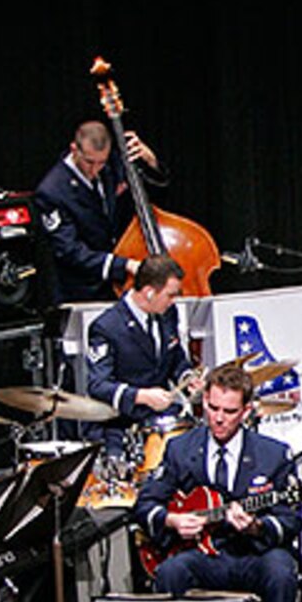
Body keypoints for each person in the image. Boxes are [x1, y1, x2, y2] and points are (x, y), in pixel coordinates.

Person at [133, 363, 302, 602]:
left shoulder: (274, 454)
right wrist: (171, 519)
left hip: (251, 555)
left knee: (281, 571)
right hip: (203, 555)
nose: (219, 419)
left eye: (229, 412)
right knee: (170, 572)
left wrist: (257, 526)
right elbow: (145, 504)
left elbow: (291, 519)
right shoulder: (181, 449)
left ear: (246, 411)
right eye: (212, 409)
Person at [34, 119, 164, 305]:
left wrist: (151, 163)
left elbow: (154, 196)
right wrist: (123, 264)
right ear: (74, 149)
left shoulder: (110, 166)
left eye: (101, 162)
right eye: (89, 162)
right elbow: (69, 250)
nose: (95, 169)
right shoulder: (52, 192)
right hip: (83, 291)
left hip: (118, 287)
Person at [85, 255, 192, 455]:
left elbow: (174, 355)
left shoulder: (168, 314)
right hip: (121, 425)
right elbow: (98, 384)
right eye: (170, 295)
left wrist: (186, 377)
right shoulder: (107, 327)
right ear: (149, 292)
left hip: (161, 419)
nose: (173, 301)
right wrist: (140, 396)